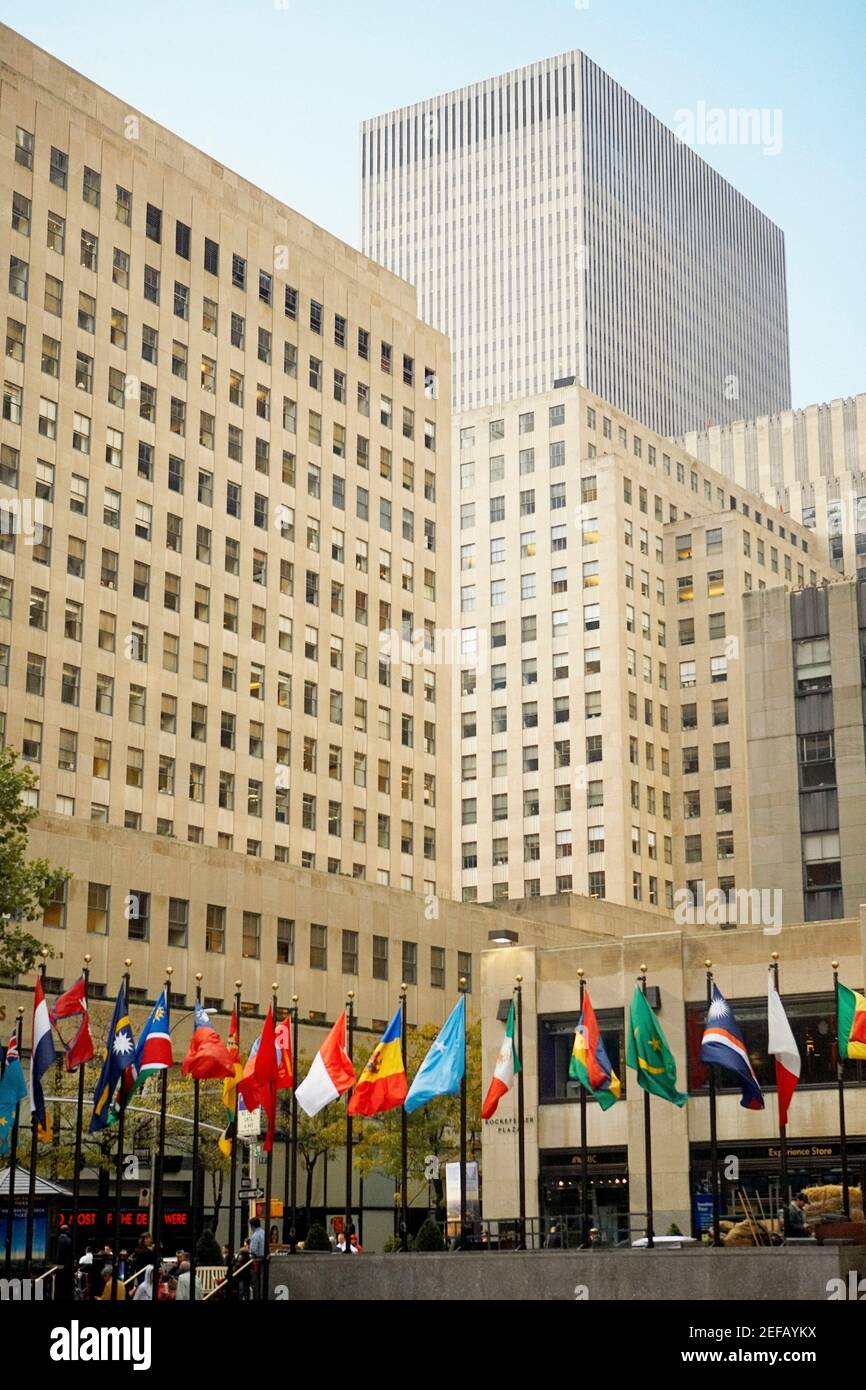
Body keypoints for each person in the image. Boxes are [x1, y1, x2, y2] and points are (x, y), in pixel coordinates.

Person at [56, 1223, 73, 1301]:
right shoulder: (69, 1241)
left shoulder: (57, 1240)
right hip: (66, 1268)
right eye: (68, 1230)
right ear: (66, 1231)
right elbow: (70, 1256)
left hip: (57, 1267)